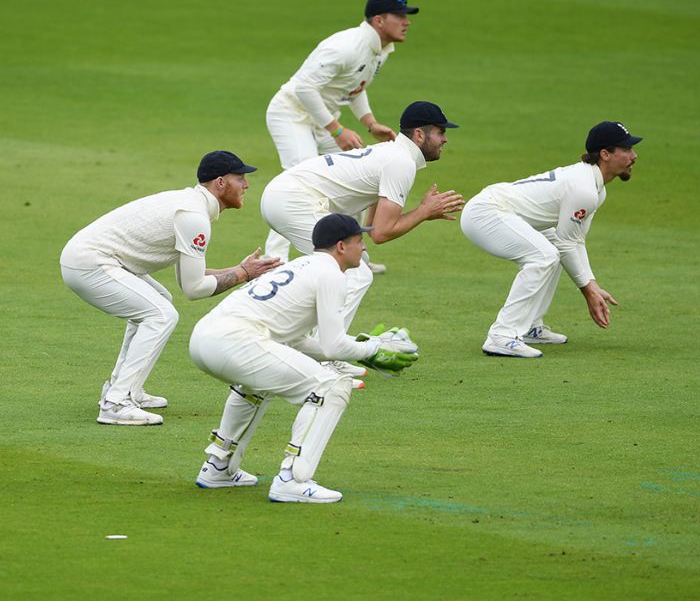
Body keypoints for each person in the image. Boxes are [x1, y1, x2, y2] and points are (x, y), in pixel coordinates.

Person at [189, 213, 416, 503]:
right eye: (360, 241)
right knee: (331, 386)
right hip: (235, 341)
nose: (364, 248)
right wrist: (373, 350)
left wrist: (364, 346)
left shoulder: (302, 266)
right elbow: (333, 347)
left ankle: (218, 466)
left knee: (258, 383)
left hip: (205, 338)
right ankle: (292, 479)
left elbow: (298, 341)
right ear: (341, 247)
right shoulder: (331, 274)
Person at [60, 151, 282, 426]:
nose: (246, 185)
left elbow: (192, 277)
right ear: (221, 183)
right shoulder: (193, 216)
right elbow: (194, 289)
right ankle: (115, 403)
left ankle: (126, 390)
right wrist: (242, 274)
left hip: (92, 259)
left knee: (158, 301)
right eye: (240, 178)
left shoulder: (192, 207)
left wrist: (241, 271)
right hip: (90, 263)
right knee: (161, 314)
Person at [259, 100, 465, 338]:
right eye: (441, 132)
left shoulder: (392, 154)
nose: (445, 139)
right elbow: (381, 233)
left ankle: (309, 345)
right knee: (355, 272)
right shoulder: (401, 163)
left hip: (285, 195)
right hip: (293, 199)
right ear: (419, 134)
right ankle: (325, 353)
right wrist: (423, 212)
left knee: (353, 266)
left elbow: (374, 226)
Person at [264, 0, 420, 271]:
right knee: (299, 185)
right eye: (399, 16)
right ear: (379, 20)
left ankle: (354, 255)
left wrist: (370, 123)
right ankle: (275, 260)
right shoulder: (345, 47)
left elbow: (355, 87)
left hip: (325, 117)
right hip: (292, 114)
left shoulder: (380, 50)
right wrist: (337, 130)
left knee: (356, 178)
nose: (406, 22)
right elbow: (305, 88)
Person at [459, 121, 643, 358]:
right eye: (626, 150)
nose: (634, 155)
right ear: (605, 155)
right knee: (544, 255)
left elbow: (574, 241)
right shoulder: (584, 188)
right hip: (486, 212)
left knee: (551, 250)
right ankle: (501, 336)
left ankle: (530, 326)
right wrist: (588, 291)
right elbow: (567, 244)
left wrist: (592, 284)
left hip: (505, 213)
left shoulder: (596, 189)